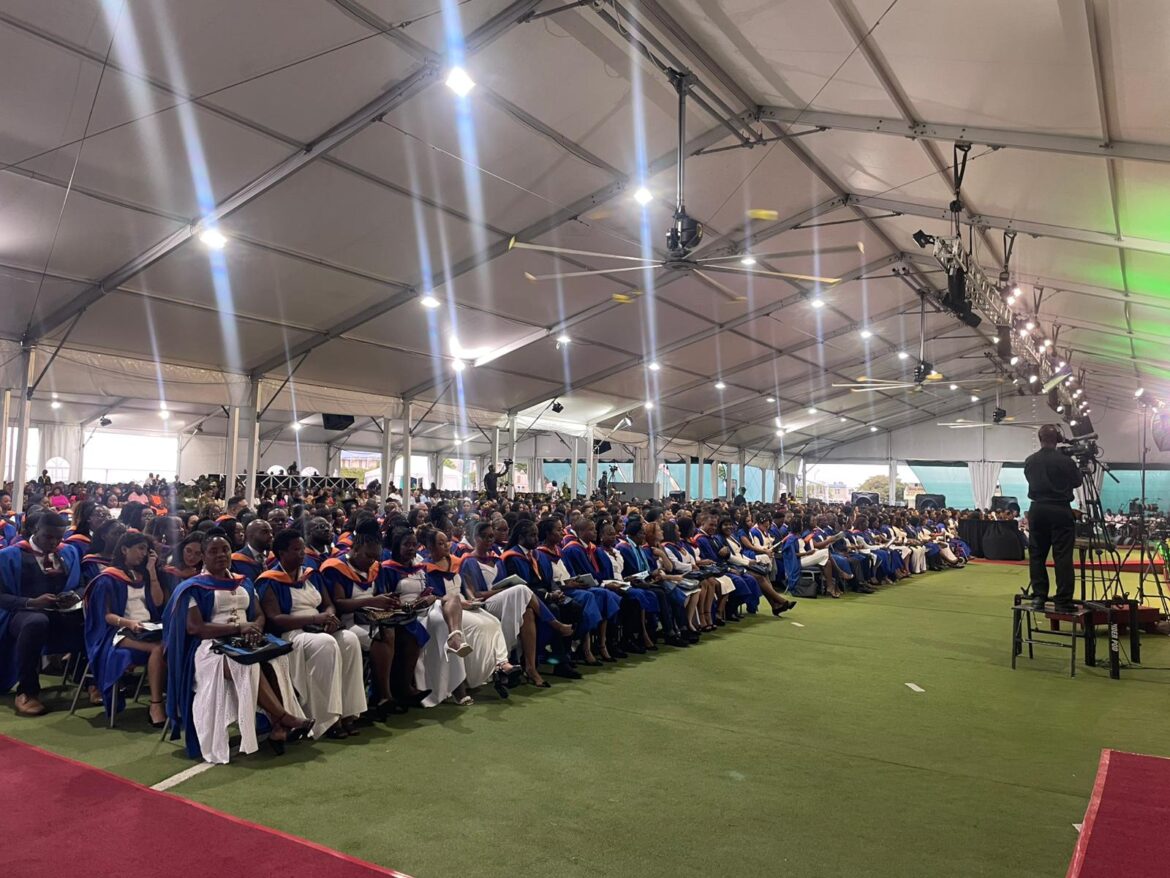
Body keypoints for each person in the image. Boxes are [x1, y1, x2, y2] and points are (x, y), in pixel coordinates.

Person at [258, 529, 366, 739]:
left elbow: (328, 604)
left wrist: (330, 618)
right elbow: (275, 619)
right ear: (281, 553)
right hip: (291, 633)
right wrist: (315, 619)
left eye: (302, 549)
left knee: (349, 639)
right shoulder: (269, 580)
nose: (301, 554)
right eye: (296, 550)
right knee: (325, 644)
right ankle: (326, 719)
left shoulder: (311, 574)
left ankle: (348, 712)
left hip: (319, 628)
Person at [0, 512, 85, 716]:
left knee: (92, 620)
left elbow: (82, 586)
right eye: (48, 537)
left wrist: (74, 595)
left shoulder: (69, 552)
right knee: (36, 622)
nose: (54, 542)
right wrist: (31, 602)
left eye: (59, 537)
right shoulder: (9, 555)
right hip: (21, 612)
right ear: (35, 529)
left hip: (61, 611)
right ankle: (27, 691)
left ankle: (91, 681)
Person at [83, 532, 167, 725]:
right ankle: (156, 704)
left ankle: (174, 700)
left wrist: (152, 572)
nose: (143, 553)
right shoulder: (107, 579)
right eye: (140, 548)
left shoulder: (142, 575)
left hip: (147, 627)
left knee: (173, 645)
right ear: (124, 549)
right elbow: (106, 616)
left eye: (146, 549)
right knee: (158, 649)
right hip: (117, 632)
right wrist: (129, 623)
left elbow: (158, 602)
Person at [1024, 425, 1083, 612]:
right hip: (1060, 508)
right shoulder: (1065, 461)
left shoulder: (1030, 461)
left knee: (1037, 555)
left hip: (1038, 509)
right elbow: (1077, 481)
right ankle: (1063, 601)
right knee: (1062, 556)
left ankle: (1039, 597)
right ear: (1057, 438)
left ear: (1040, 438)